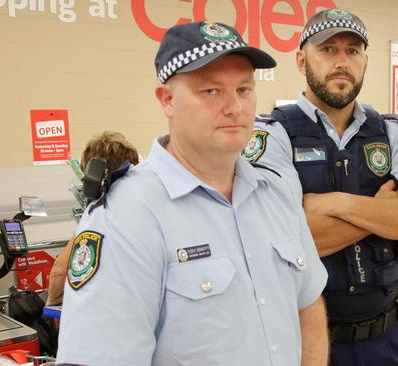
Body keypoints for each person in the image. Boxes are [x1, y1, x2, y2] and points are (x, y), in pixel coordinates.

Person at [56, 21, 329, 366]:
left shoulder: (275, 193)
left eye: (244, 90)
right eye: (211, 91)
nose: (234, 107)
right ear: (167, 100)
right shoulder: (127, 216)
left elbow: (308, 308)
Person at [243, 8, 398, 366]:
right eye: (328, 49)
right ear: (302, 61)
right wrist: (385, 211)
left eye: (352, 50)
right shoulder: (274, 136)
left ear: (365, 60)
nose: (342, 61)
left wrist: (332, 202)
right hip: (310, 343)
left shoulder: (390, 133)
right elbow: (285, 241)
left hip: (390, 338)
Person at [46, 131, 140, 306]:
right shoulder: (146, 206)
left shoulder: (99, 213)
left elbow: (60, 272)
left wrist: (52, 299)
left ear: (93, 175)